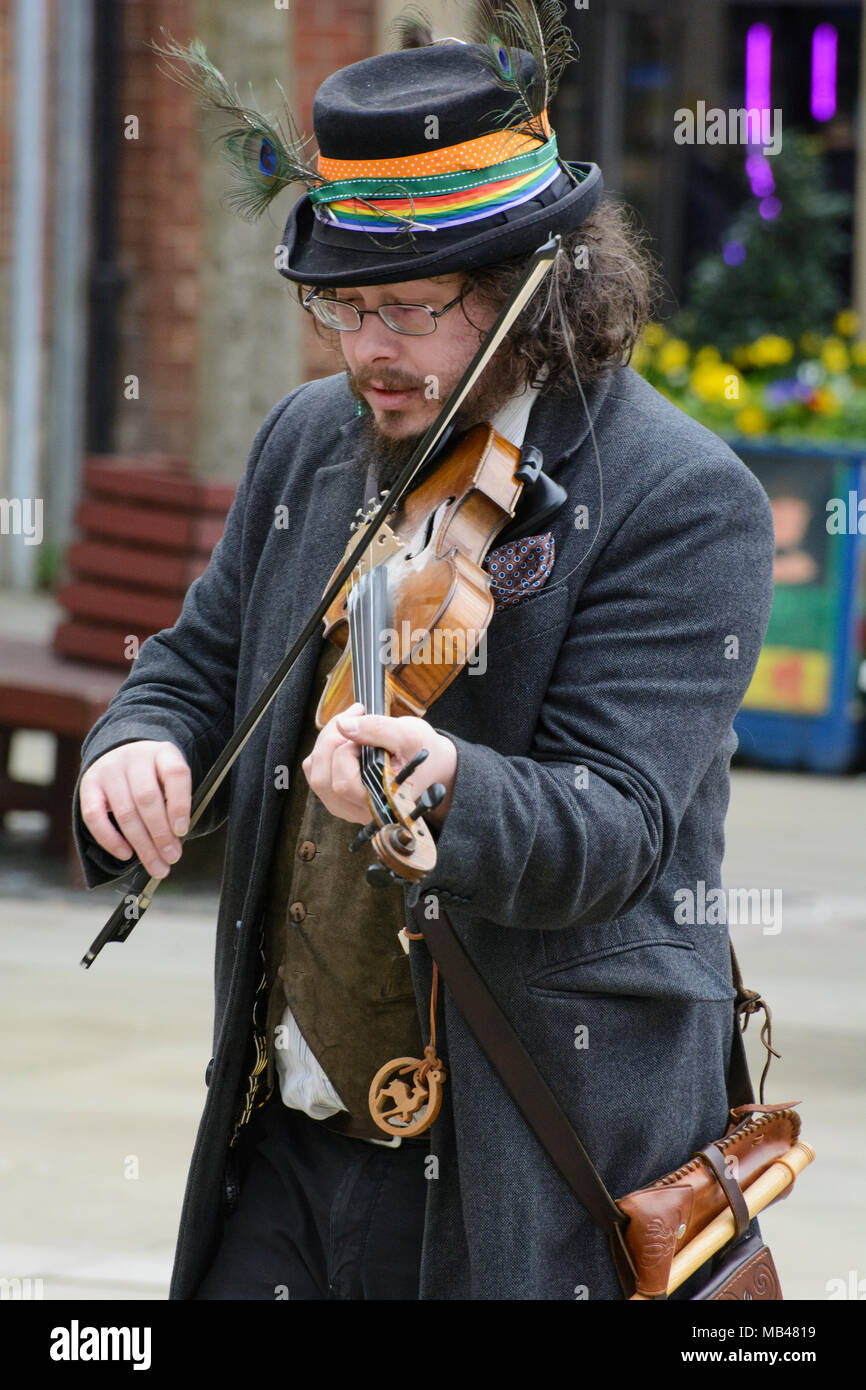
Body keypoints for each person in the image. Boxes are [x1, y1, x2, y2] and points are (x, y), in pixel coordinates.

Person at [73, 24, 776, 1301]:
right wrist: (136, 747)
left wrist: (444, 780)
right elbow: (193, 660)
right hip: (283, 1131)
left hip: (519, 1140)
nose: (362, 352)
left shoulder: (679, 499)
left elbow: (613, 825)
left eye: (405, 309)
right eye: (340, 306)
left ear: (533, 284)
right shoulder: (307, 440)